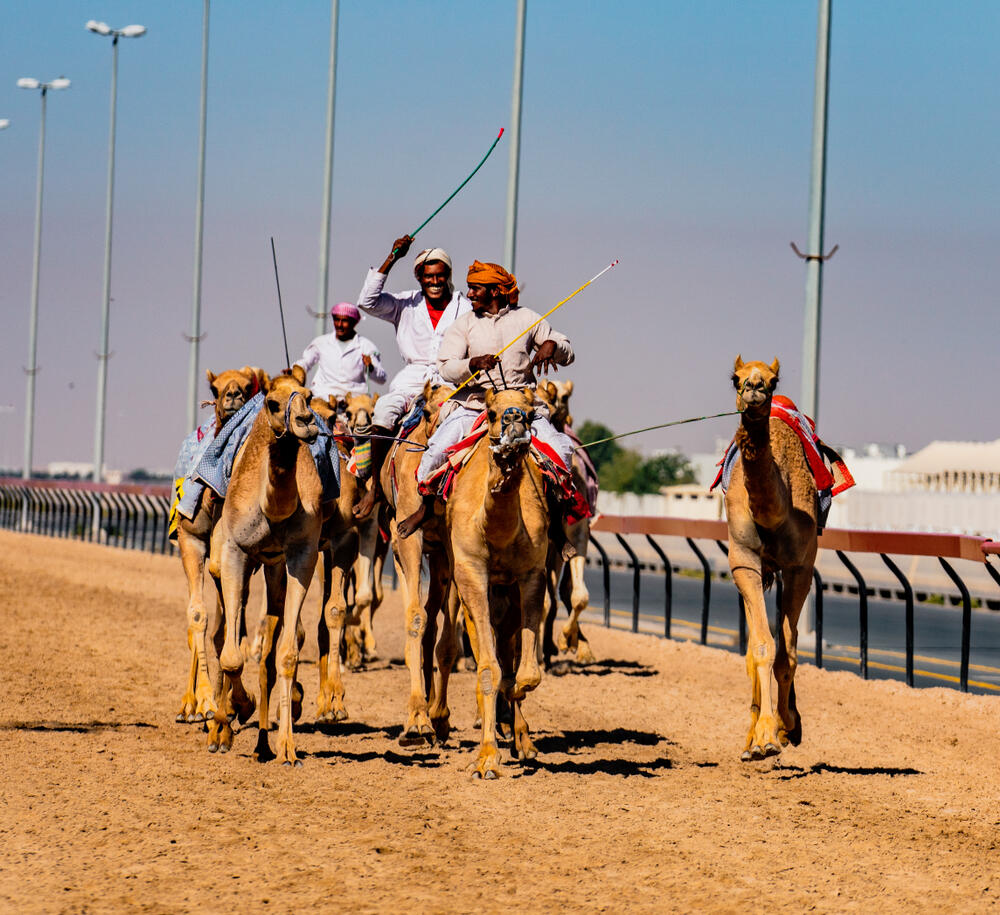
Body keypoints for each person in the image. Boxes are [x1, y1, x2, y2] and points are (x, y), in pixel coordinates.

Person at [396, 259, 575, 538]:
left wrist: (553, 346)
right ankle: (427, 507)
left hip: (520, 406)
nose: (469, 295)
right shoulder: (464, 324)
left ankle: (556, 521)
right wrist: (472, 364)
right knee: (435, 452)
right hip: (476, 405)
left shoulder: (528, 318)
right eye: (469, 289)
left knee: (560, 452)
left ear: (494, 291)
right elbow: (445, 365)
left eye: (475, 289)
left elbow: (567, 350)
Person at [353, 235, 472, 519]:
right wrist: (393, 256)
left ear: (448, 276)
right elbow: (366, 301)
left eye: (440, 276)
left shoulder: (464, 307)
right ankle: (375, 491)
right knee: (383, 410)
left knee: (458, 424)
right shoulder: (405, 303)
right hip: (412, 379)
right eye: (429, 277)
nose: (435, 282)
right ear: (420, 277)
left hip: (450, 382)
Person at [295, 302, 386, 402]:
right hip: (324, 398)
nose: (340, 325)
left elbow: (382, 379)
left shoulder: (366, 346)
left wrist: (371, 367)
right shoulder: (321, 343)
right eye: (337, 320)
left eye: (344, 321)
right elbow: (305, 363)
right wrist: (293, 371)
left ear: (354, 323)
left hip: (354, 401)